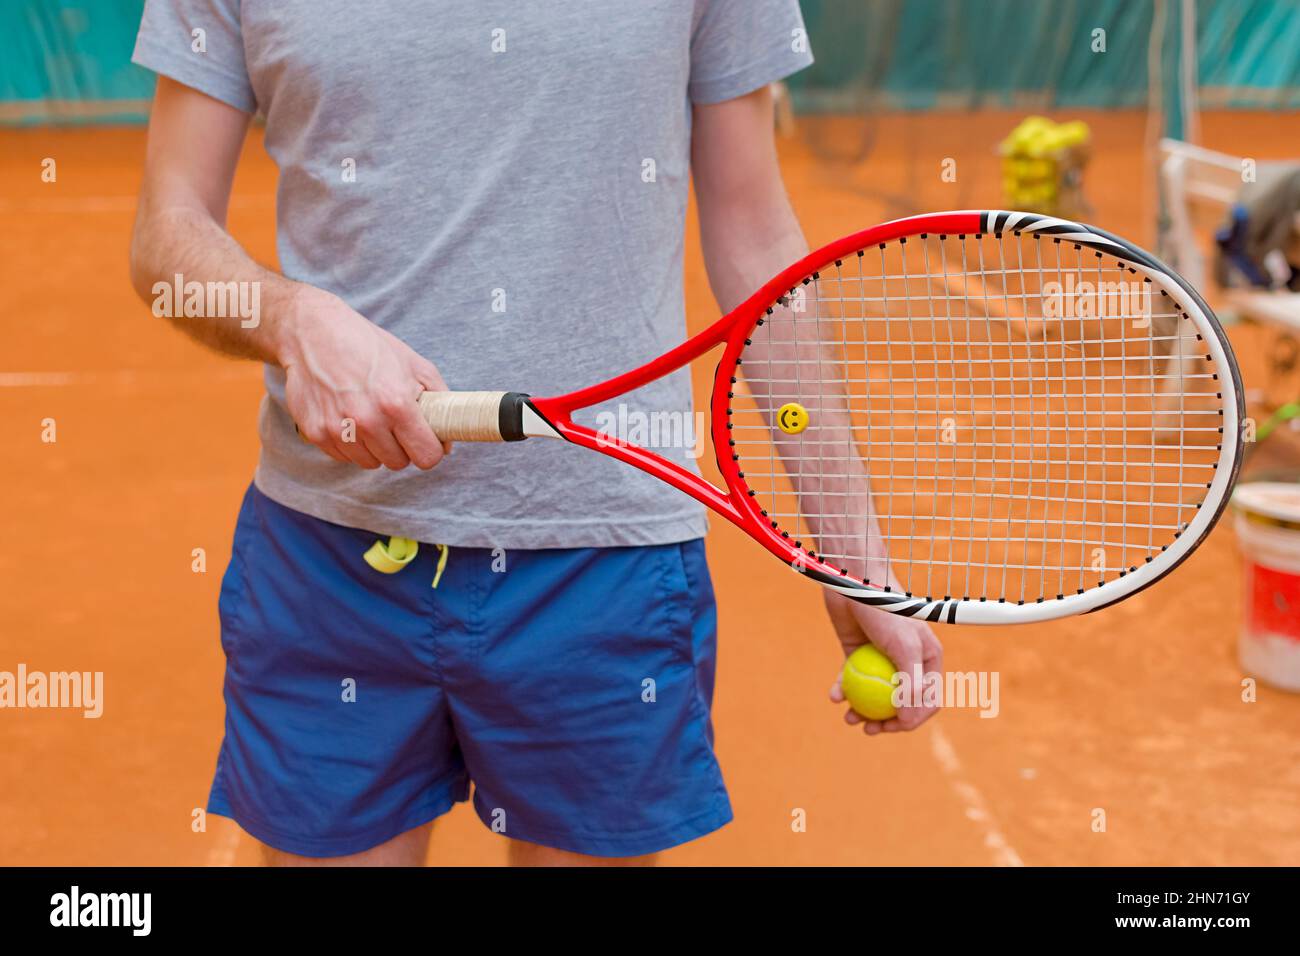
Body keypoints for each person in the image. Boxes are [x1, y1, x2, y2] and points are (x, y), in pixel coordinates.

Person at [129, 0, 942, 867]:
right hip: (331, 558)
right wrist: (290, 321)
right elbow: (167, 236)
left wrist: (852, 556)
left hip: (604, 566)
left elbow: (758, 240)